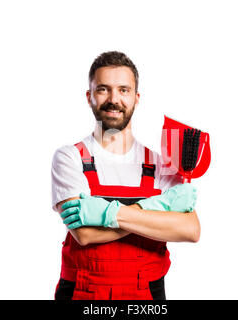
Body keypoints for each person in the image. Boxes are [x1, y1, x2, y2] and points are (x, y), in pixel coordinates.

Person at [51, 51, 200, 300]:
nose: (114, 99)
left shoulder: (162, 163)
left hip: (147, 296)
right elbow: (85, 235)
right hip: (83, 293)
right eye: (103, 89)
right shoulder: (69, 157)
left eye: (123, 90)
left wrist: (106, 213)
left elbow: (190, 230)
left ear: (136, 98)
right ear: (89, 97)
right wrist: (155, 212)